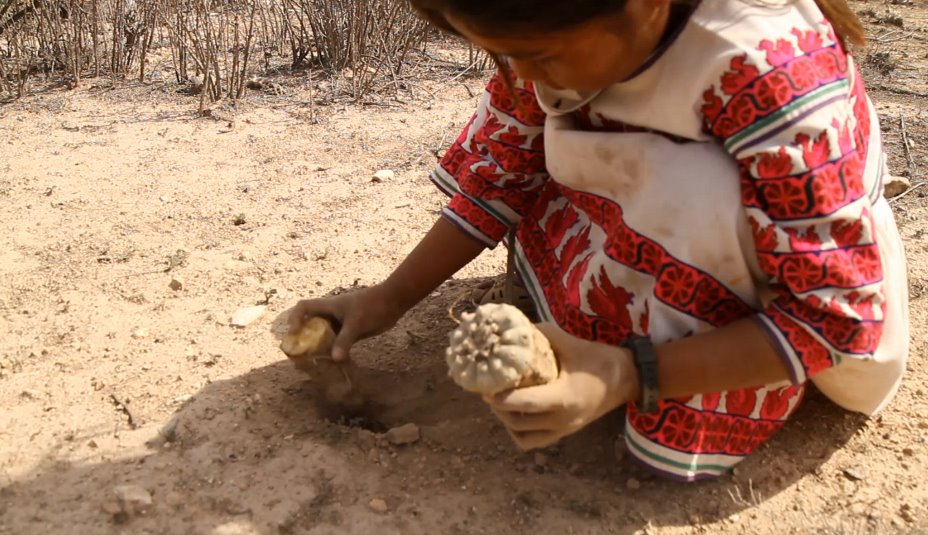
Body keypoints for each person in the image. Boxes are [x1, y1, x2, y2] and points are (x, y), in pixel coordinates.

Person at [288, 0, 910, 481]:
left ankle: (687, 386)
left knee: (697, 191)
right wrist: (391, 297)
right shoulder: (555, 35)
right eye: (502, 54)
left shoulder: (766, 71)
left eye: (539, 55)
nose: (522, 74)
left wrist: (628, 375)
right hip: (645, 228)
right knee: (565, 140)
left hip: (785, 304)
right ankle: (604, 334)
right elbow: (504, 168)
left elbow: (832, 317)